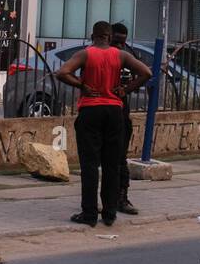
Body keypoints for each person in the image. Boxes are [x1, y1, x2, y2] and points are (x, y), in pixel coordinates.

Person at [57, 22, 150, 227]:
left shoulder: (85, 54)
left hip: (90, 110)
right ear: (108, 37)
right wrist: (125, 90)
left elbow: (62, 72)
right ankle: (109, 213)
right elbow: (146, 73)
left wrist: (82, 85)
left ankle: (89, 214)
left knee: (89, 165)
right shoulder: (120, 55)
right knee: (112, 164)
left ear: (93, 36)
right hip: (114, 111)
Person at [111, 21, 140, 215]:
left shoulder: (127, 56)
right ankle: (101, 200)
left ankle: (122, 197)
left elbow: (144, 74)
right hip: (102, 111)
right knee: (98, 160)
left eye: (123, 41)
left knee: (120, 159)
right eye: (116, 41)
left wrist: (125, 89)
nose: (120, 45)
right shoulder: (99, 54)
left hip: (121, 113)